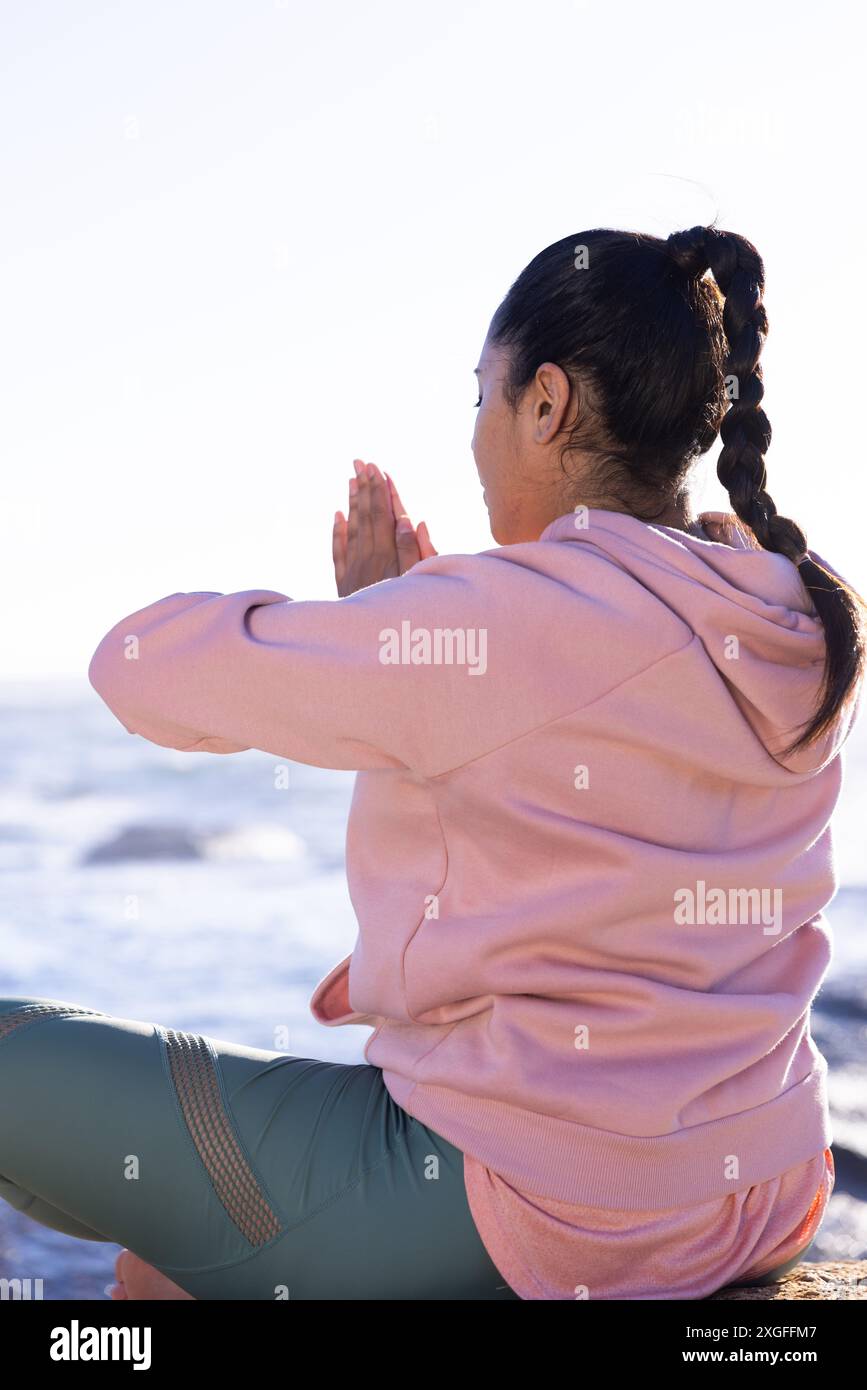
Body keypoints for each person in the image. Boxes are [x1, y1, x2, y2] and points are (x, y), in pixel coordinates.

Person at [1, 224, 862, 1300]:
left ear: (545, 404)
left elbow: (135, 665)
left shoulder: (504, 614)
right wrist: (407, 644)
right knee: (161, 1274)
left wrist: (384, 623)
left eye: (483, 400)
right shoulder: (787, 606)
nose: (477, 435)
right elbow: (585, 798)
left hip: (554, 1207)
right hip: (762, 1186)